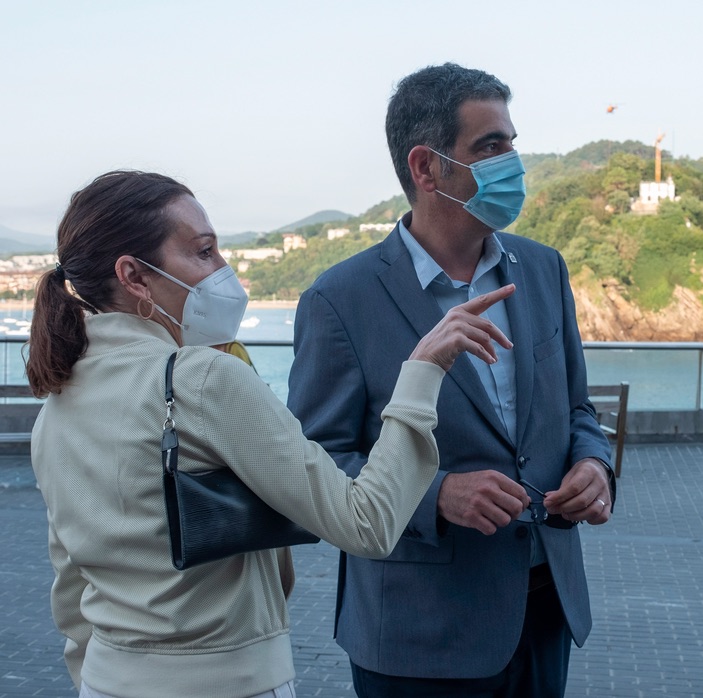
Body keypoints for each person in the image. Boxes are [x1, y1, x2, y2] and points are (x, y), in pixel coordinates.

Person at [27, 169, 514, 698]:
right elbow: (366, 522)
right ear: (135, 276)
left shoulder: (56, 403)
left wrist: (95, 679)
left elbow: (71, 584)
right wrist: (422, 371)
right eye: (204, 252)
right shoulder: (203, 378)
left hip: (106, 682)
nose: (224, 270)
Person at [287, 63, 615, 697]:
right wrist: (434, 494)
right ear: (426, 167)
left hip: (544, 610)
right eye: (491, 146)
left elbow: (577, 408)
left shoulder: (543, 269)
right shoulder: (340, 299)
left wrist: (595, 465)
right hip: (417, 635)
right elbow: (314, 466)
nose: (514, 161)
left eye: (513, 142)